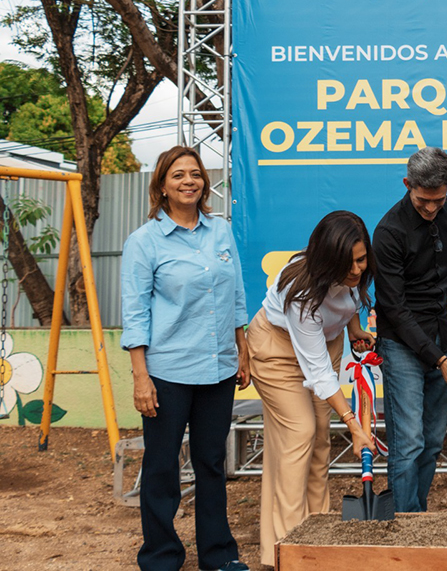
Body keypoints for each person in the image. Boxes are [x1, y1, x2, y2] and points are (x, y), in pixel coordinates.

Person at [121, 146, 249, 571]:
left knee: (212, 464)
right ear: (161, 185)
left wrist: (242, 348)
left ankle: (219, 555)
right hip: (168, 372)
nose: (188, 181)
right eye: (178, 175)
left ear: (204, 183)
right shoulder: (144, 242)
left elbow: (236, 294)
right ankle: (161, 557)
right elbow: (135, 313)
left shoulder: (220, 231)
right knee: (162, 467)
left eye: (195, 174)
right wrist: (141, 377)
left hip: (218, 368)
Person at [246, 211, 377, 567]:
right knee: (298, 433)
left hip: (325, 344)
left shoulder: (352, 270)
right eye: (348, 264)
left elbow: (350, 297)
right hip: (276, 352)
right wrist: (354, 425)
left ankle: (317, 537)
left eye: (361, 260)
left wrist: (354, 328)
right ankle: (290, 552)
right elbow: (319, 375)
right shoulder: (301, 294)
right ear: (327, 260)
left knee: (319, 437)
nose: (356, 270)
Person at [372, 147, 447, 512]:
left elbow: (444, 270)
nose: (430, 209)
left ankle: (418, 517)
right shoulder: (389, 232)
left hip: (439, 336)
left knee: (432, 441)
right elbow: (393, 309)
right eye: (423, 200)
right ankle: (404, 525)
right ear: (407, 184)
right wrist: (440, 359)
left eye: (437, 201)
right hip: (401, 344)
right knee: (408, 442)